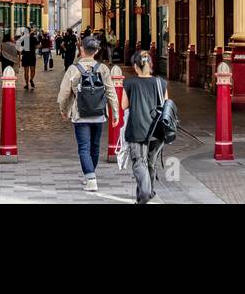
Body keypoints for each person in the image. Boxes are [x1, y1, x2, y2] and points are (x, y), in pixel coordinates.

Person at [57, 36, 119, 192]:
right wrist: (115, 113)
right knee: (95, 146)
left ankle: (91, 178)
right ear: (97, 51)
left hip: (80, 114)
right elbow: (111, 92)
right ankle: (90, 175)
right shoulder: (103, 69)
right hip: (99, 114)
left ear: (81, 49)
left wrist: (64, 111)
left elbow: (64, 94)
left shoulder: (73, 69)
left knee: (84, 147)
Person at [120, 50, 167, 204]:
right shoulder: (161, 82)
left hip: (138, 129)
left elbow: (123, 105)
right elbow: (166, 105)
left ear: (135, 66)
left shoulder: (130, 83)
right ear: (151, 65)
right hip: (157, 131)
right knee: (150, 163)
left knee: (140, 162)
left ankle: (145, 193)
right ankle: (145, 194)